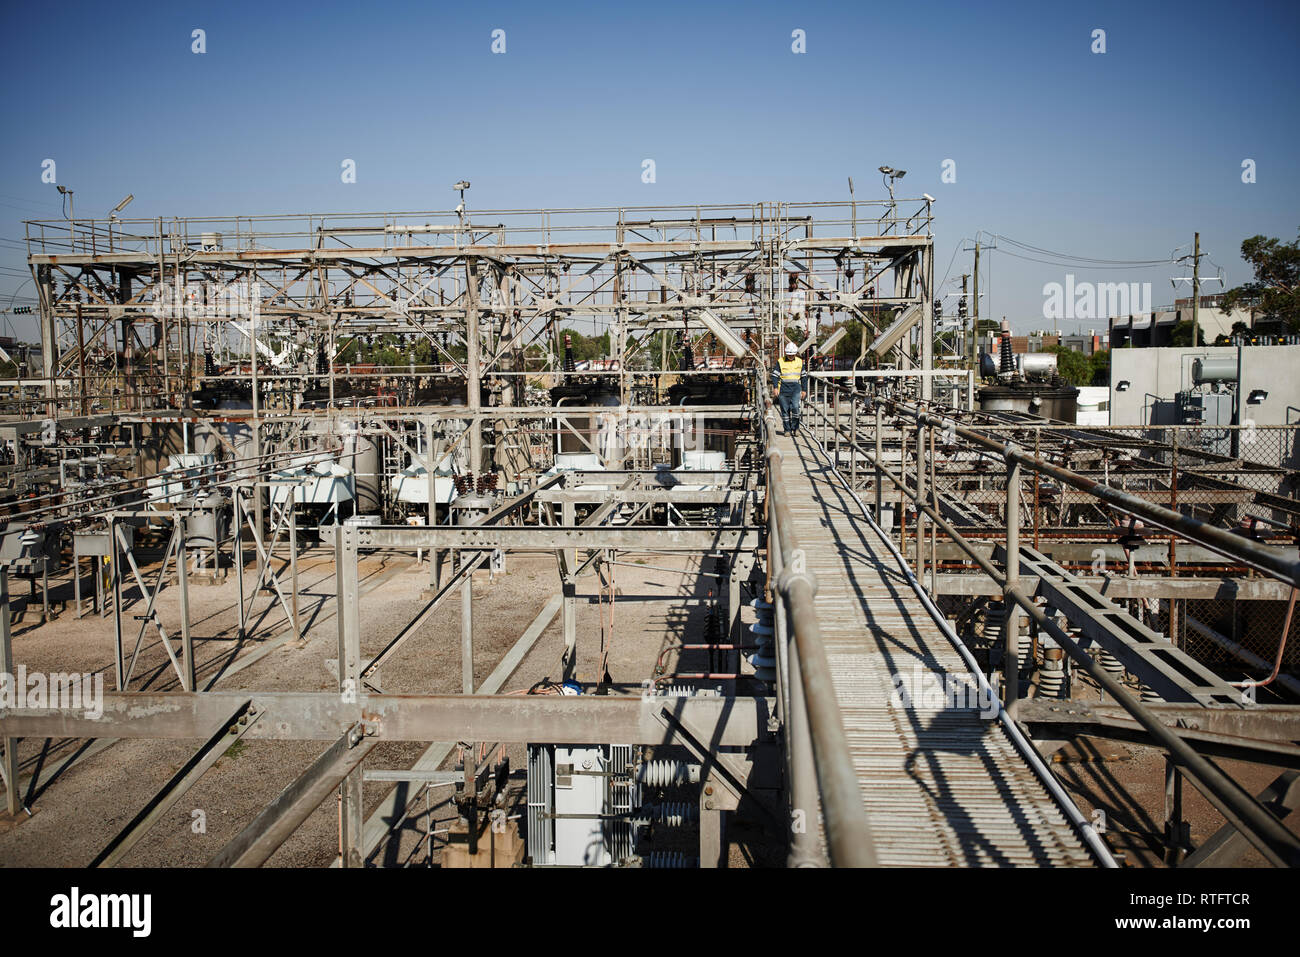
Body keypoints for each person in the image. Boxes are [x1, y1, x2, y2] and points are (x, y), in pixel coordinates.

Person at [771, 341, 807, 434]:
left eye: (792, 355)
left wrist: (804, 390)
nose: (791, 356)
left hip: (795, 388)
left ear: (795, 354)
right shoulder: (781, 361)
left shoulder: (799, 362)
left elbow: (804, 376)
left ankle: (796, 428)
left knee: (795, 408)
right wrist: (775, 388)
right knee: (785, 410)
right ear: (786, 353)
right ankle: (787, 430)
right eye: (789, 355)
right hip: (783, 388)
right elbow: (775, 375)